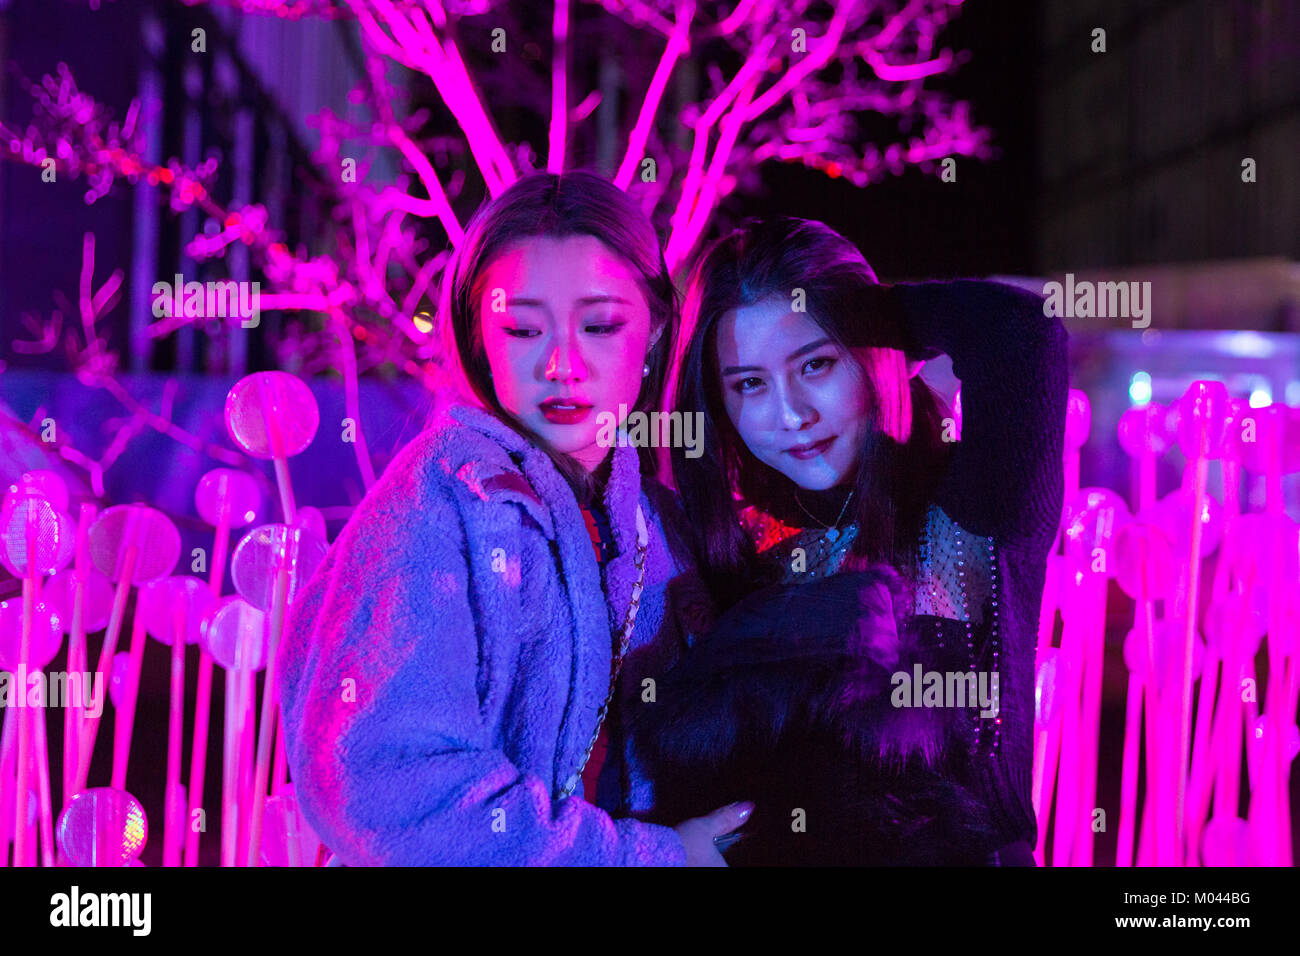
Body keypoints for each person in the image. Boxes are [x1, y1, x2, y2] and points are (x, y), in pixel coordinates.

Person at [276, 170, 749, 866]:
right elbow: (385, 781)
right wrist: (644, 858)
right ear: (477, 338)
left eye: (601, 324)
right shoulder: (439, 506)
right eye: (523, 327)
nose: (563, 363)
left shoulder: (662, 523)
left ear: (653, 334)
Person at [640, 217, 1068, 865]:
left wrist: (862, 308)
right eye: (750, 383)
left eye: (815, 363)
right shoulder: (729, 548)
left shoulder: (967, 513)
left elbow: (1022, 332)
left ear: (867, 355)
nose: (790, 414)